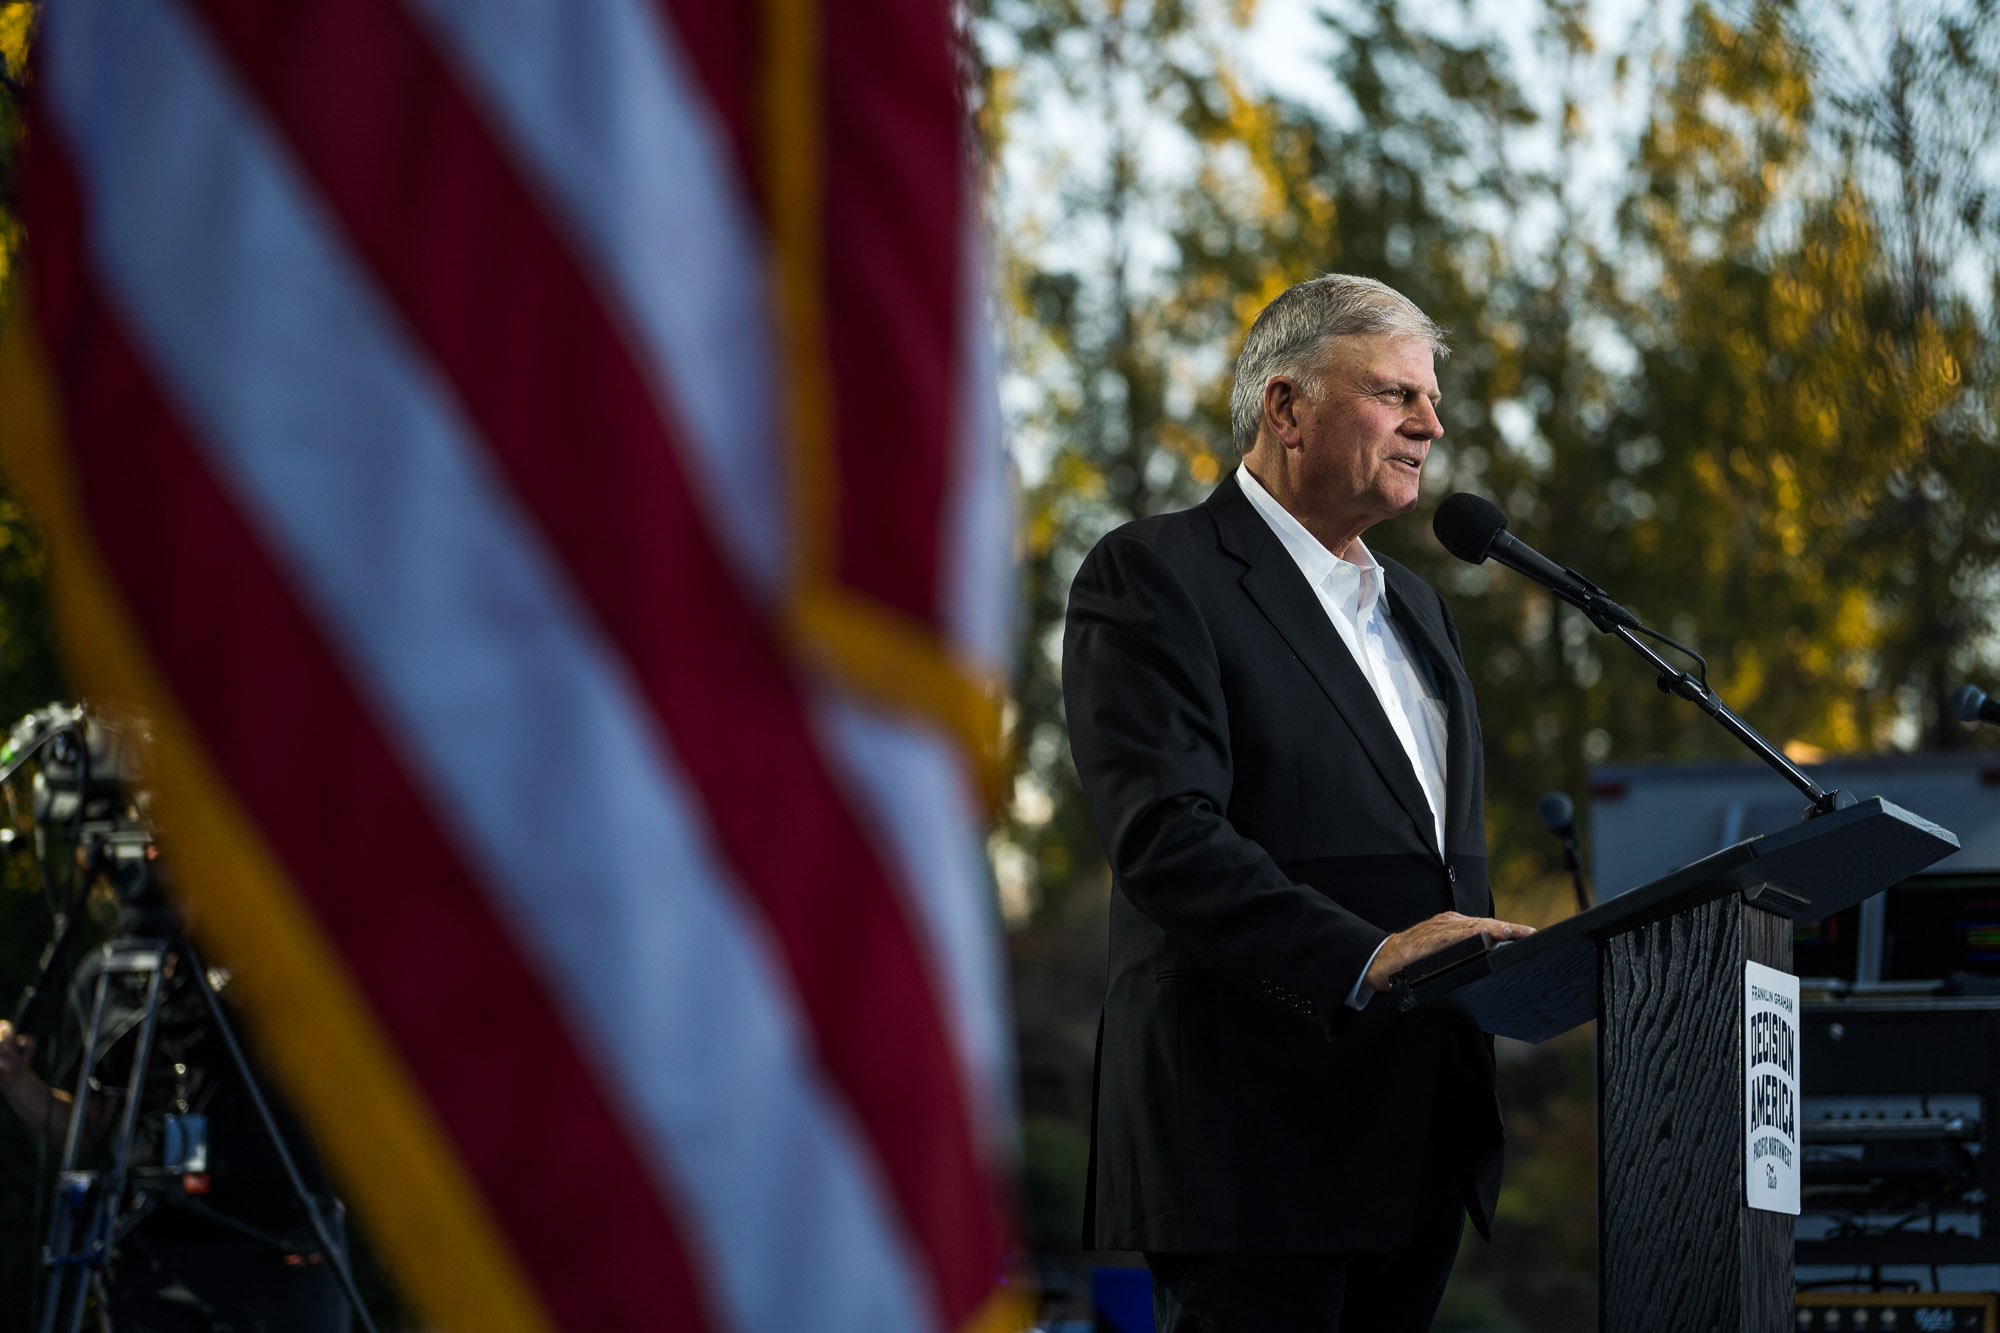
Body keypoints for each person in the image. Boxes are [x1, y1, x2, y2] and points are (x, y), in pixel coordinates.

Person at [1063, 274, 1537, 1332]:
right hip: (1248, 1137)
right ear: (1284, 408)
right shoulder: (1155, 573)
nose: (1431, 422)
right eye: (1394, 393)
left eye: (1430, 395)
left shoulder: (1415, 608)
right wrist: (1363, 957)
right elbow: (1163, 836)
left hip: (1414, 1129)